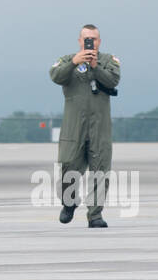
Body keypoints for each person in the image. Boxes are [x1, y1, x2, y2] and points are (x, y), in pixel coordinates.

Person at [50, 25, 120, 228]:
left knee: (100, 170)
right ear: (80, 41)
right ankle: (69, 203)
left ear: (100, 41)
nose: (91, 42)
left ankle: (95, 215)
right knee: (67, 165)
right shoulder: (67, 60)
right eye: (87, 39)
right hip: (74, 126)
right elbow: (55, 76)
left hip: (99, 126)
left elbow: (113, 80)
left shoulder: (108, 61)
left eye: (95, 39)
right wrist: (74, 62)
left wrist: (96, 66)